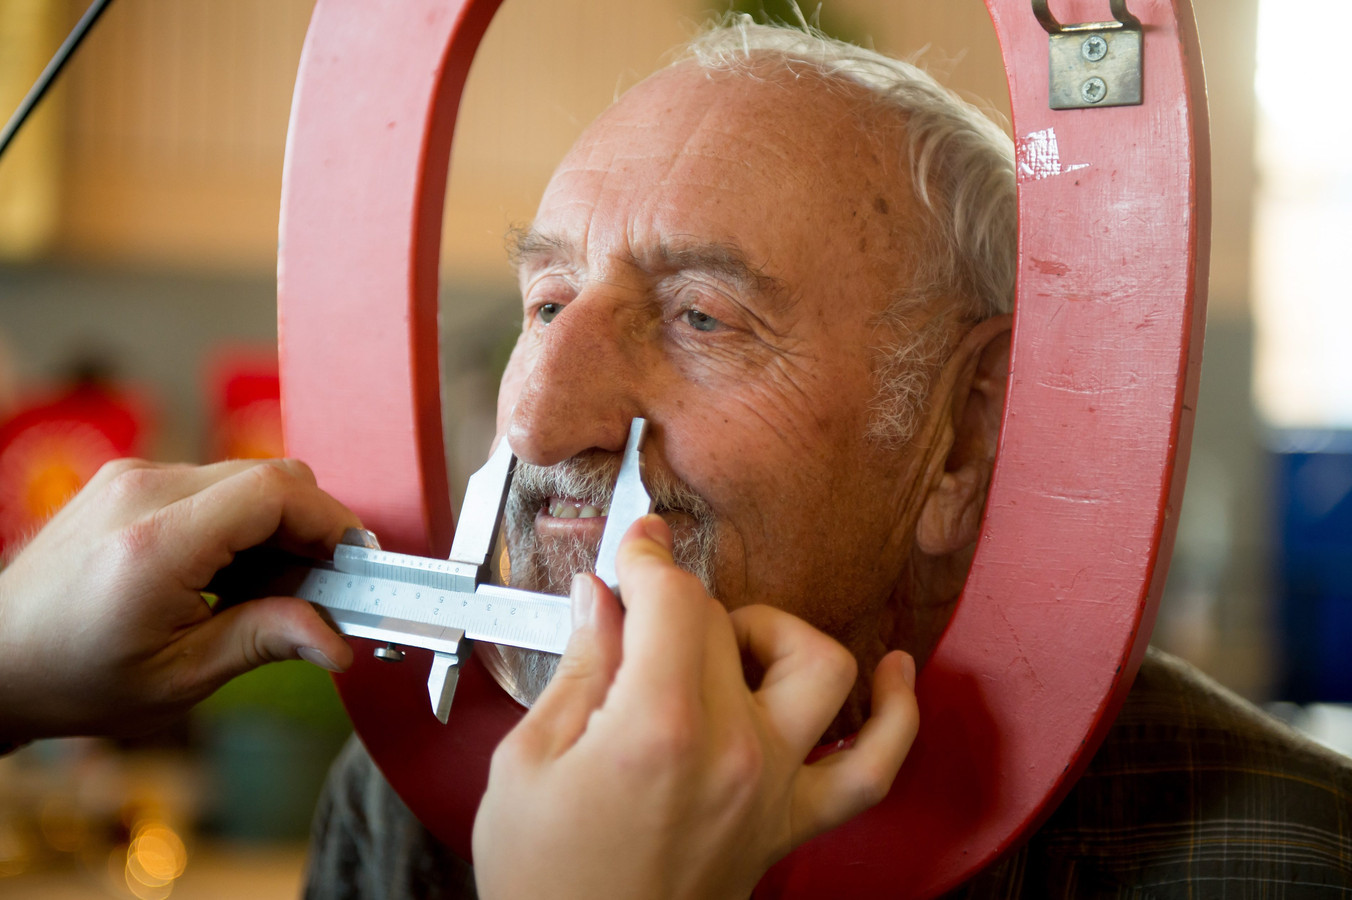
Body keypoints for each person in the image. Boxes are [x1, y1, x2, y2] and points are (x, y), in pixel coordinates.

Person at [306, 17, 1352, 900]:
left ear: (962, 439)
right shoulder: (409, 806)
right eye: (547, 303)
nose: (533, 419)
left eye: (699, 319)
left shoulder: (1286, 863)